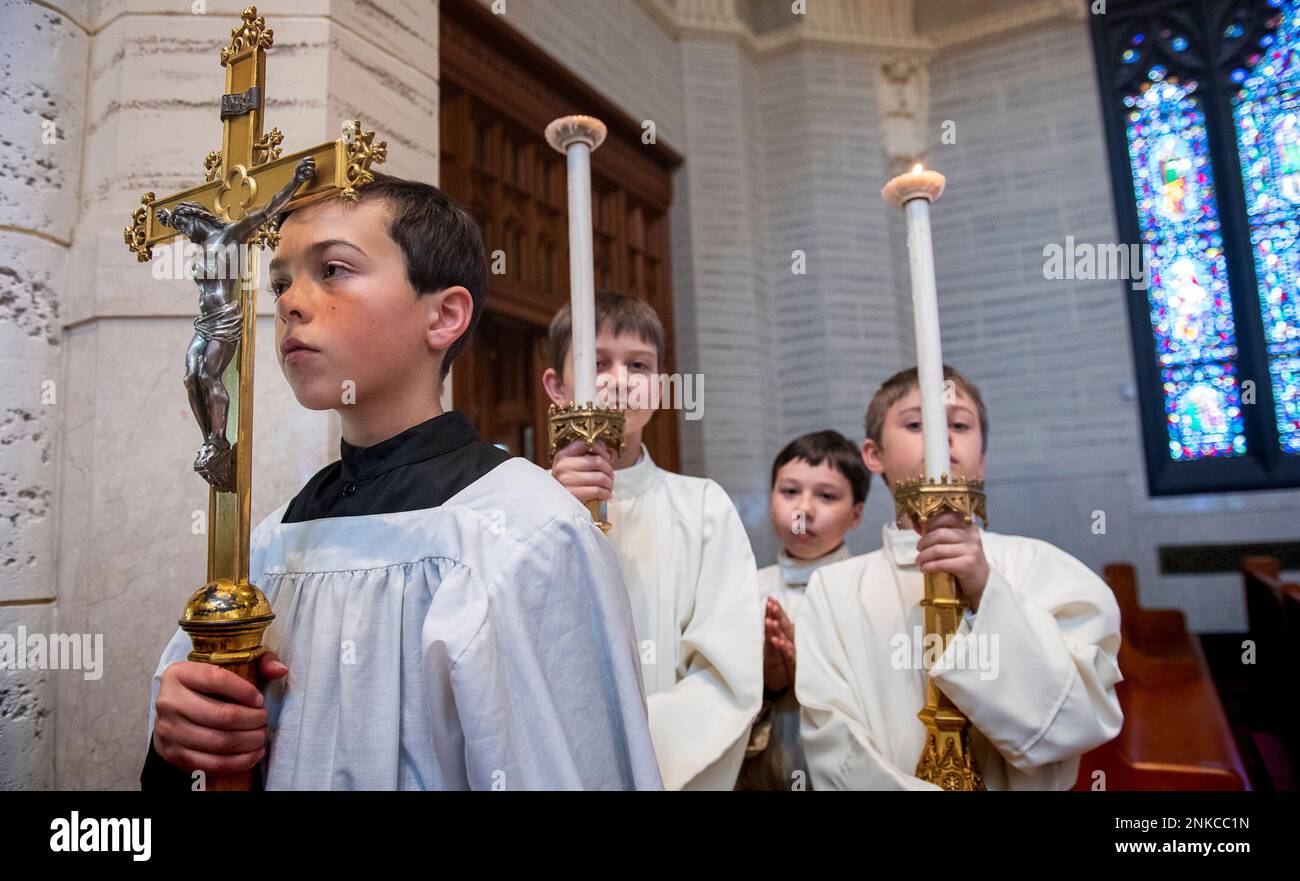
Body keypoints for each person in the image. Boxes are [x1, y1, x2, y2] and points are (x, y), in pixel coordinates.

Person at [143, 175, 662, 790]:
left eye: (333, 270)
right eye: (281, 281)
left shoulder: (530, 531)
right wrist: (180, 738)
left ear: (444, 315)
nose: (288, 303)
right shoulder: (271, 540)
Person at [796, 365, 1123, 790]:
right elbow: (833, 740)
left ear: (982, 458)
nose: (941, 436)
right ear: (873, 454)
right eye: (916, 423)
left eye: (960, 425)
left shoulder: (1046, 570)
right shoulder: (834, 590)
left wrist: (987, 590)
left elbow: (1073, 721)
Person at [542, 292, 761, 790]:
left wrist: (627, 758)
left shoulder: (704, 508)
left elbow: (727, 673)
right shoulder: (516, 505)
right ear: (556, 386)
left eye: (638, 365)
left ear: (660, 387)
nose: (619, 381)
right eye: (596, 362)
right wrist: (548, 511)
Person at [735, 430, 867, 791]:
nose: (804, 509)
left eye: (826, 496)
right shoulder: (745, 589)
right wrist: (768, 684)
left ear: (856, 514)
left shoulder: (867, 590)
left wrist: (808, 669)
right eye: (790, 491)